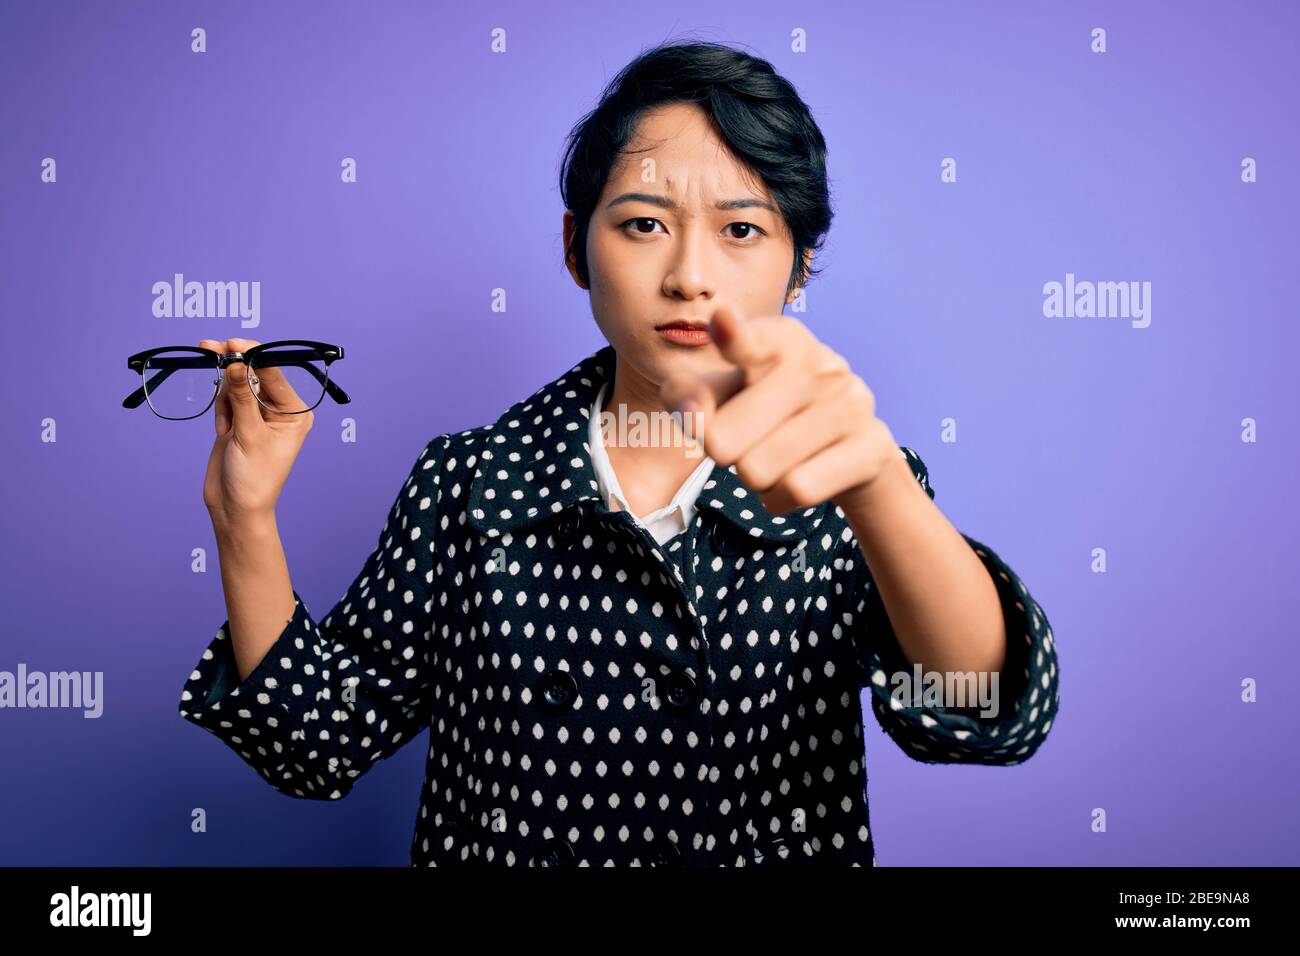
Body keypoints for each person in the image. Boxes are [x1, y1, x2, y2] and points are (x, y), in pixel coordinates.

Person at [179, 40, 1059, 867]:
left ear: (800, 267)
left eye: (742, 230)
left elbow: (977, 718)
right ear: (575, 247)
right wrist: (243, 517)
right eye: (643, 224)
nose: (689, 276)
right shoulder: (469, 481)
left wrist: (878, 485)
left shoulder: (850, 473)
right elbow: (312, 744)